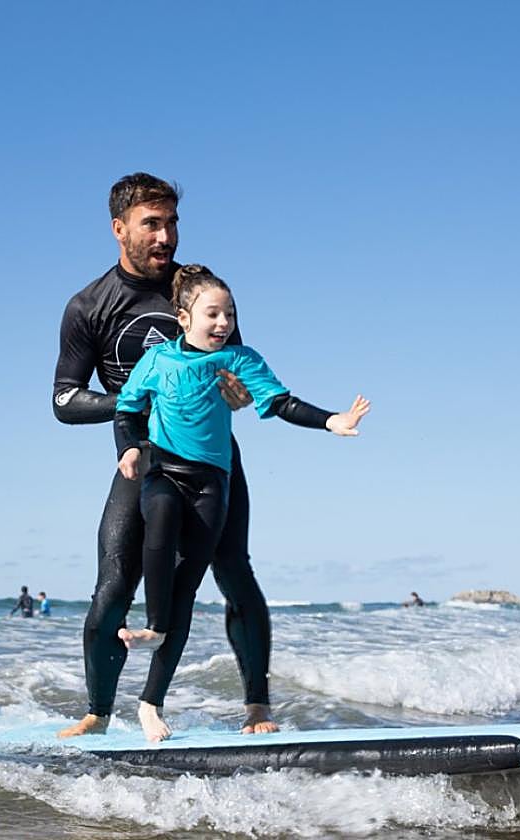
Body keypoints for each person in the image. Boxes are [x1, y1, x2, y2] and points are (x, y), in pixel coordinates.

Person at [52, 172, 278, 738]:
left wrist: (239, 391)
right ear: (119, 228)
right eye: (152, 223)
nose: (165, 236)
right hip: (144, 459)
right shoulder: (89, 306)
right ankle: (98, 713)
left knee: (234, 573)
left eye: (172, 223)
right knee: (114, 583)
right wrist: (136, 404)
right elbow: (62, 400)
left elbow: (237, 376)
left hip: (212, 460)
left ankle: (257, 706)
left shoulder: (198, 292)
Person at [113, 264, 369, 740]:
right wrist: (128, 448)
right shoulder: (156, 361)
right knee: (162, 514)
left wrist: (331, 420)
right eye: (213, 313)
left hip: (213, 481)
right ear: (183, 317)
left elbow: (282, 402)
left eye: (229, 314)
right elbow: (127, 409)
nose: (224, 322)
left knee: (192, 582)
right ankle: (153, 626)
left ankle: (152, 698)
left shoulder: (239, 358)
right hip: (164, 470)